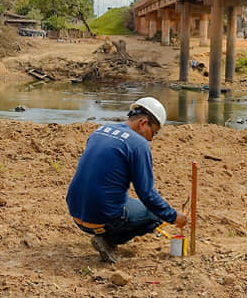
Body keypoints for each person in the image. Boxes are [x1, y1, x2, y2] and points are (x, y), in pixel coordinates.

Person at [66, 97, 187, 264]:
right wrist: (173, 216)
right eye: (154, 132)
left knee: (125, 200)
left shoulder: (100, 130)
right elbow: (147, 194)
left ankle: (104, 232)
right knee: (155, 214)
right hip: (100, 217)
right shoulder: (138, 144)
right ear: (143, 123)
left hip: (76, 212)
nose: (151, 139)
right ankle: (108, 240)